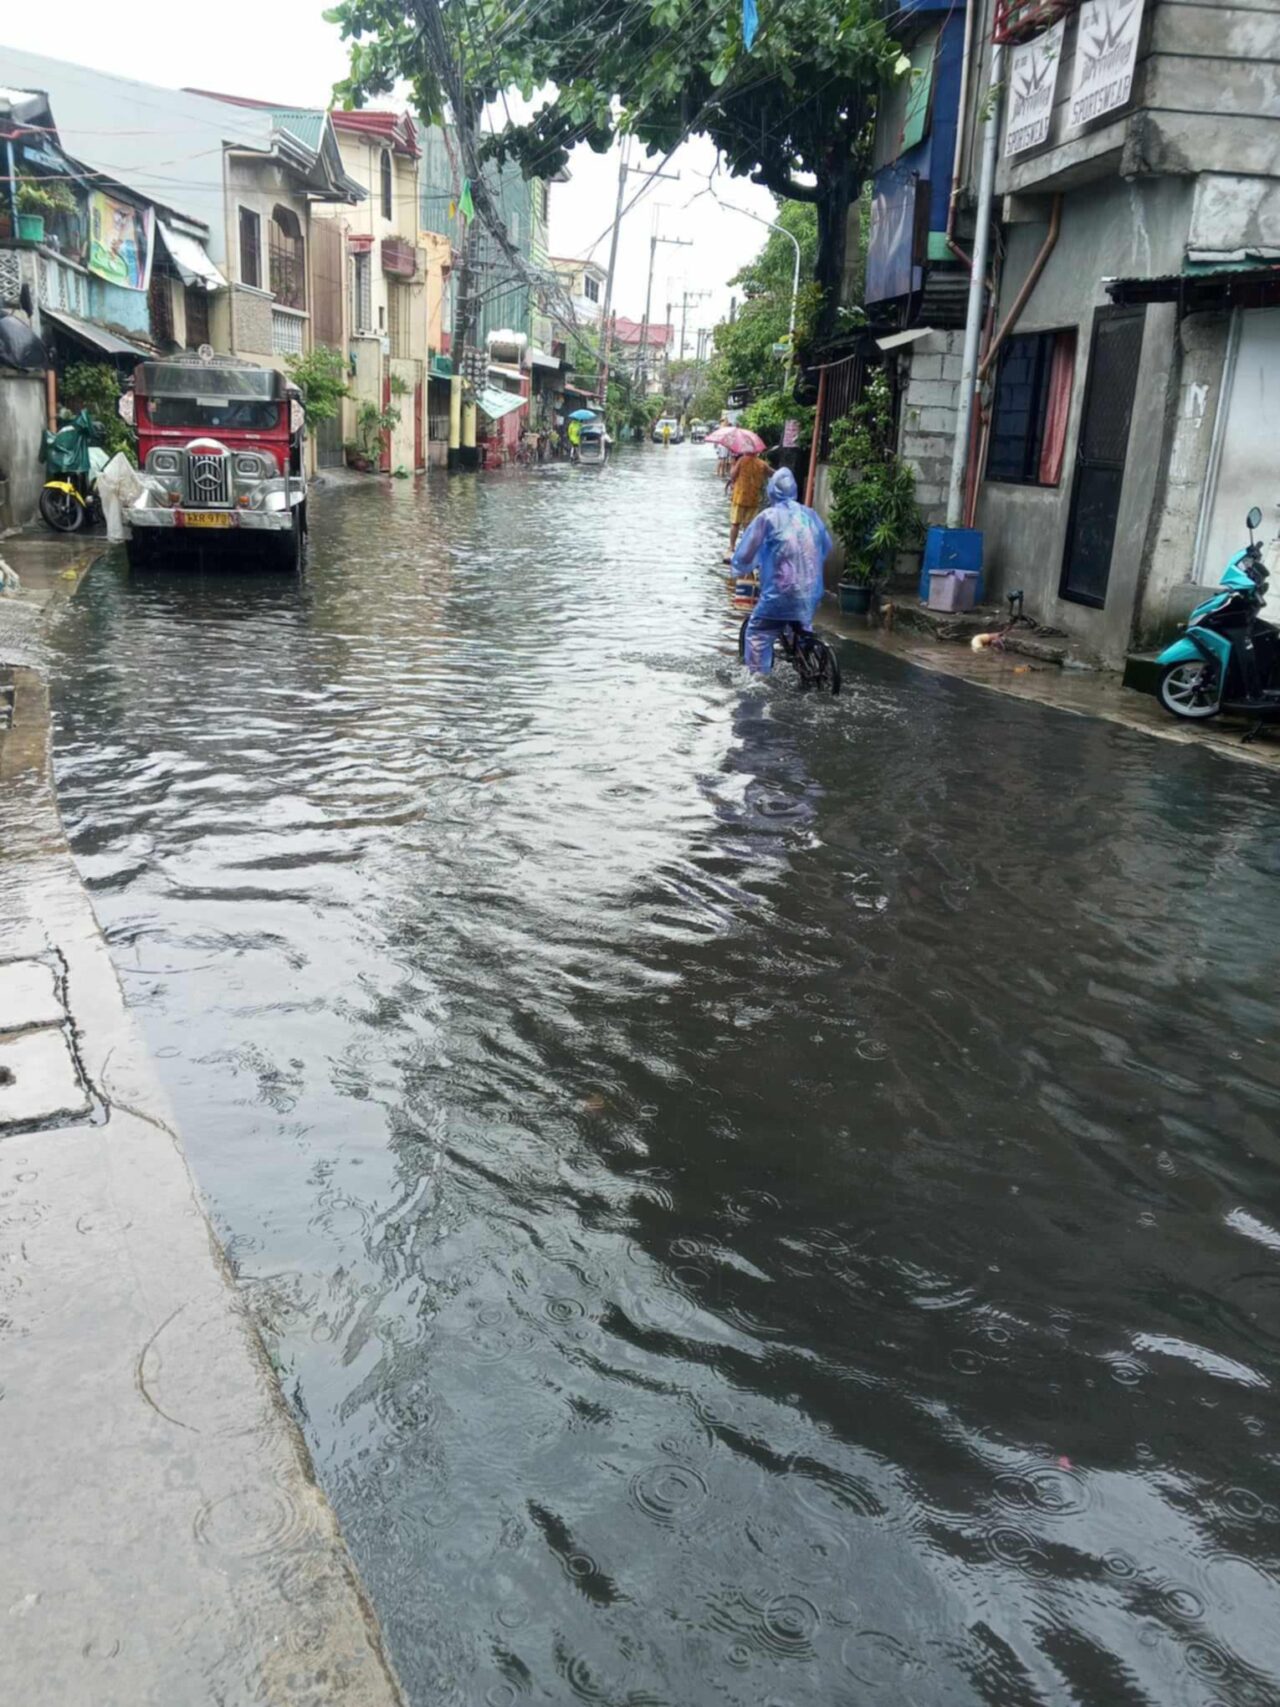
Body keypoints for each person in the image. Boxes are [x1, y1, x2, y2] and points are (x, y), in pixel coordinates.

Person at [732, 467, 833, 675]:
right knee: (801, 625)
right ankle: (807, 651)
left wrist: (739, 563)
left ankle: (758, 678)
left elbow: (745, 555)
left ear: (771, 491)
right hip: (808, 593)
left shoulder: (768, 518)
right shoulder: (810, 515)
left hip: (779, 593)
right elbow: (826, 546)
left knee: (759, 631)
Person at [725, 449, 770, 563]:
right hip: (753, 499)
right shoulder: (762, 464)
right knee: (748, 526)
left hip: (739, 498)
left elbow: (733, 475)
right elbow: (773, 473)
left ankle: (732, 547)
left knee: (735, 523)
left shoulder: (741, 460)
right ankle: (745, 549)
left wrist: (732, 464)